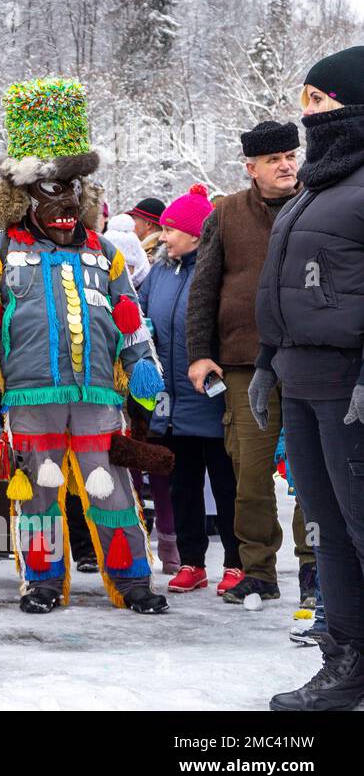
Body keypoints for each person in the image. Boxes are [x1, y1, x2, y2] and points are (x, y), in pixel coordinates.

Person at [0, 78, 168, 616]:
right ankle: (40, 582)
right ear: (22, 196)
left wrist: (144, 366)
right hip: (31, 401)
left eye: (72, 189)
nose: (64, 202)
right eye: (50, 189)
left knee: (111, 491)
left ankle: (132, 581)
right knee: (36, 495)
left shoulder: (106, 252)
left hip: (98, 397)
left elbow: (132, 319)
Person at [255, 45, 364, 711]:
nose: (307, 115)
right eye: (305, 100)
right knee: (327, 526)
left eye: (319, 100)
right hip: (304, 381)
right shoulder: (316, 188)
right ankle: (347, 660)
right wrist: (269, 363)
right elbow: (282, 288)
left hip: (352, 385)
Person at [186, 119, 313, 606]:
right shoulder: (226, 214)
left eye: (290, 156)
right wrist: (200, 354)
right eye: (274, 159)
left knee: (312, 472)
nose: (286, 165)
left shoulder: (316, 202)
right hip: (242, 363)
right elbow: (204, 288)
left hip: (309, 358)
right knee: (251, 473)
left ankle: (315, 567)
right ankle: (258, 569)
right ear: (252, 168)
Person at [138, 185, 239, 594]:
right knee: (182, 485)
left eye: (171, 230)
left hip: (211, 399)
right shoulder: (161, 271)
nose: (163, 237)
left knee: (227, 485)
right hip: (171, 402)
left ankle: (236, 562)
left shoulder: (216, 272)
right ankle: (193, 562)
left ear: (196, 235)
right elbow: (141, 312)